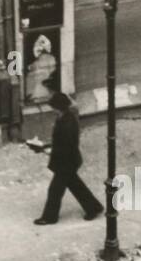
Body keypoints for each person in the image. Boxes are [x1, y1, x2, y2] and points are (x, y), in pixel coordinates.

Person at [34, 91, 103, 225]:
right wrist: (46, 146)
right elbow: (61, 142)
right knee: (75, 185)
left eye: (53, 106)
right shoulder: (65, 117)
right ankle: (94, 207)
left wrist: (49, 151)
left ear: (57, 107)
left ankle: (50, 217)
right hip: (68, 161)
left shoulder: (67, 122)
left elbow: (66, 146)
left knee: (55, 190)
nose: (52, 109)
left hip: (66, 162)